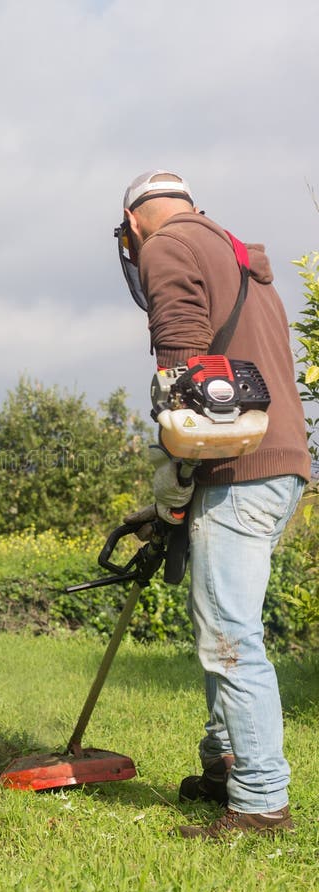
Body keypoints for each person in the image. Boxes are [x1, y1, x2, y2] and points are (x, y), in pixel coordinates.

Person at [119, 170, 311, 839]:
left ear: (132, 222)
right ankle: (223, 765)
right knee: (221, 622)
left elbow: (184, 379)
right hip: (279, 463)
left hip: (238, 470)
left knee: (230, 636)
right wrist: (175, 500)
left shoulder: (166, 246)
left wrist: (172, 479)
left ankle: (260, 803)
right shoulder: (236, 256)